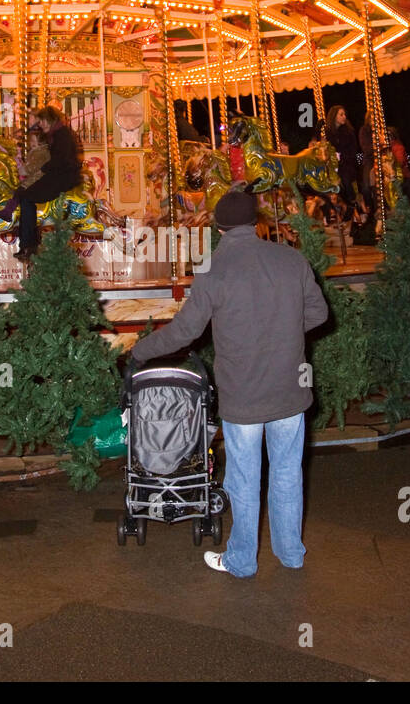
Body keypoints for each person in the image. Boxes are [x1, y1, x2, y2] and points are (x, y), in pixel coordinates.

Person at [129, 190, 328, 578]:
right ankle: (291, 554)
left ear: (219, 228)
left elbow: (185, 331)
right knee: (288, 473)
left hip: (243, 397)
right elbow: (318, 313)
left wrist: (142, 351)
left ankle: (242, 561)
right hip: (289, 391)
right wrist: (283, 329)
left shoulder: (212, 270)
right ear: (256, 223)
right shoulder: (291, 259)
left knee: (243, 478)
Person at [0, 105, 82, 261]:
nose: (40, 124)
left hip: (63, 178)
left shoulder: (61, 134)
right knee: (25, 191)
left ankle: (29, 244)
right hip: (58, 174)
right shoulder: (56, 134)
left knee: (27, 196)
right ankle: (28, 242)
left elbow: (60, 159)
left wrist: (43, 169)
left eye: (42, 121)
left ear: (49, 120)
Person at [324, 105, 360, 209]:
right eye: (341, 114)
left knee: (345, 179)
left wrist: (341, 156)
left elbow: (353, 149)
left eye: (344, 114)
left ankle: (352, 202)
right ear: (334, 116)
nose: (344, 117)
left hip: (347, 162)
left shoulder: (349, 131)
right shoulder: (328, 132)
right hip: (333, 163)